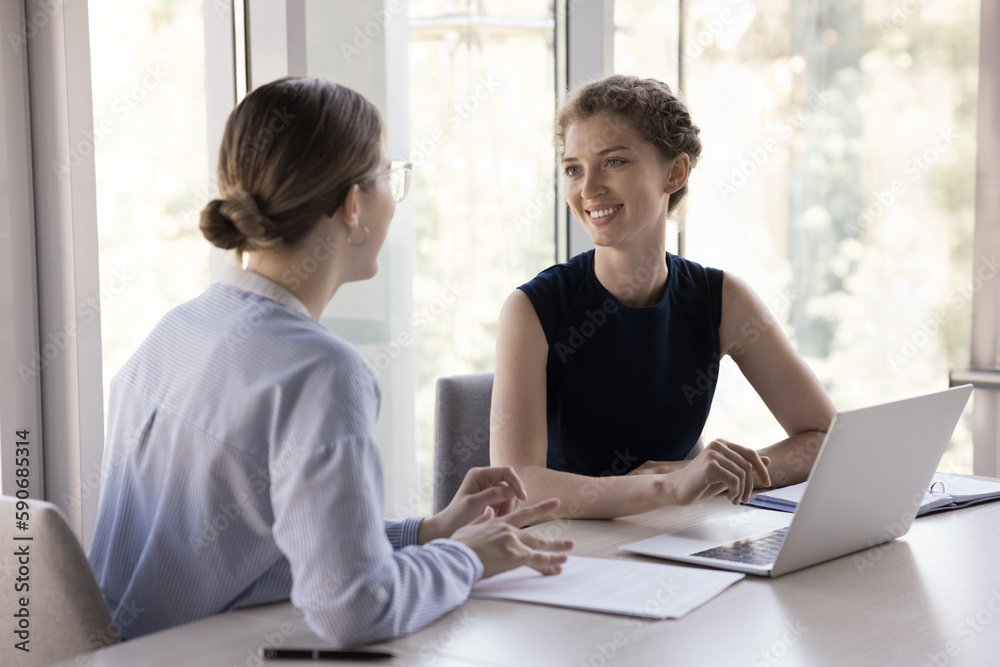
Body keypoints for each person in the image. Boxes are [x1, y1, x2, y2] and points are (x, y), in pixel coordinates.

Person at [87, 77, 572, 646]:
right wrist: (463, 558)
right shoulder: (320, 372)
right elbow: (356, 609)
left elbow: (258, 548)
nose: (396, 194)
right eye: (389, 176)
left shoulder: (178, 330)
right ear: (352, 204)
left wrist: (426, 532)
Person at [490, 74, 836, 519]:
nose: (588, 187)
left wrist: (710, 474)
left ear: (674, 172)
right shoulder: (531, 310)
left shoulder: (722, 299)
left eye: (613, 162)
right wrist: (667, 488)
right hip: (564, 555)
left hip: (674, 543)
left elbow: (825, 436)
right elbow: (516, 484)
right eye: (573, 168)